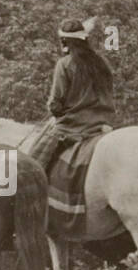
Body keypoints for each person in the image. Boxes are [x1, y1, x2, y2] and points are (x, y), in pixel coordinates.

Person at [26, 17, 116, 170]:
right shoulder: (103, 62)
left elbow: (55, 103)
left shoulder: (65, 64)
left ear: (65, 42)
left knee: (33, 161)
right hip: (104, 123)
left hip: (74, 126)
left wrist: (54, 111)